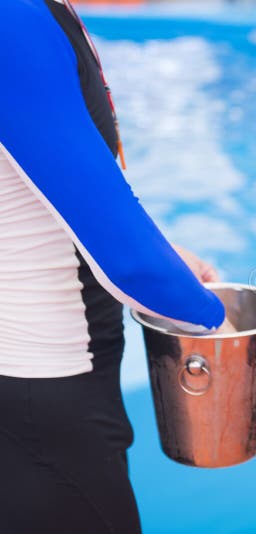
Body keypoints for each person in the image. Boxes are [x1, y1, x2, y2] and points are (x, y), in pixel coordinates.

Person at [0, 1, 227, 532]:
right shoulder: (15, 18)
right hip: (49, 392)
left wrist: (166, 254)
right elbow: (131, 265)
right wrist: (220, 321)